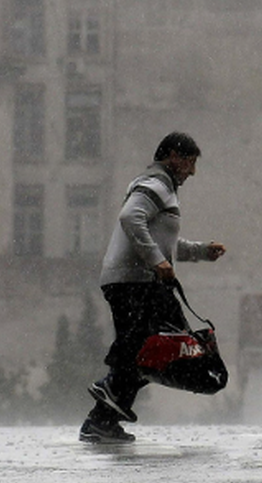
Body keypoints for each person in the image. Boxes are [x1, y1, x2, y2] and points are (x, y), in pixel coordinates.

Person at [79, 132, 226, 444]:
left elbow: (164, 242)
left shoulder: (163, 188)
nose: (192, 171)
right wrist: (157, 262)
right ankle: (108, 392)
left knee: (149, 350)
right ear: (172, 155)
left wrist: (200, 251)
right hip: (133, 282)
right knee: (153, 348)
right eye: (189, 162)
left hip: (139, 282)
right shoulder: (156, 183)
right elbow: (130, 218)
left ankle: (102, 419)